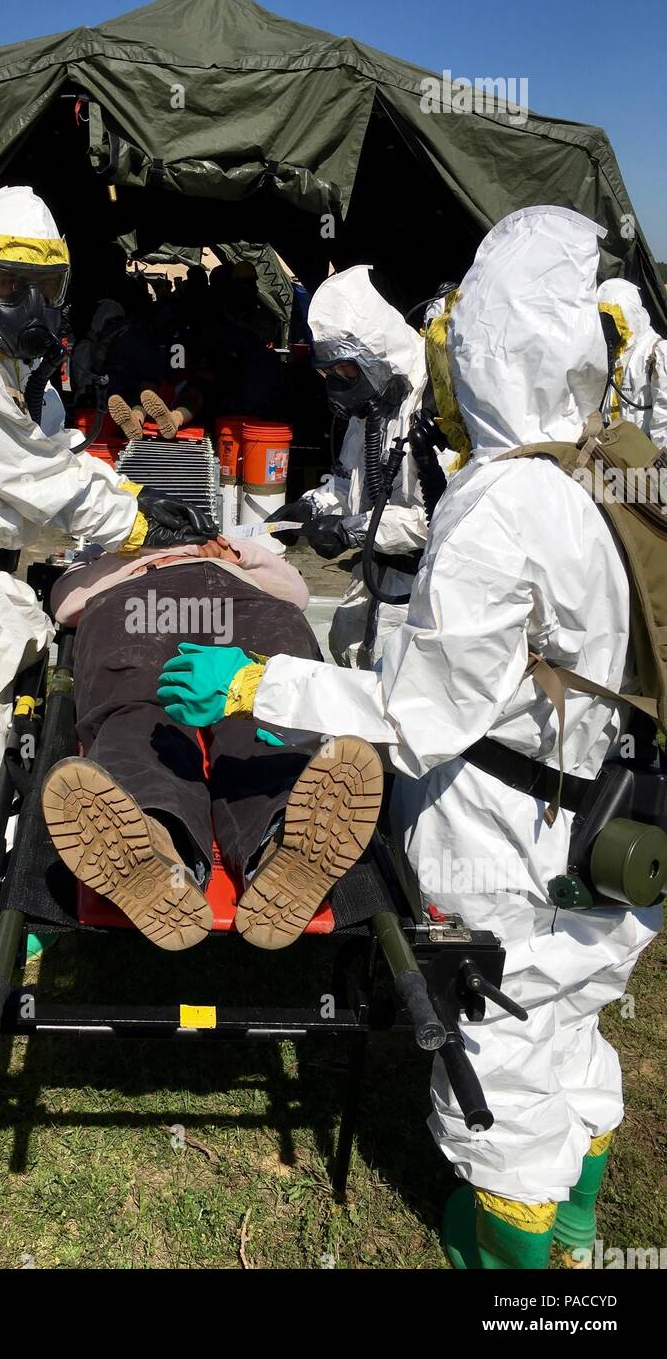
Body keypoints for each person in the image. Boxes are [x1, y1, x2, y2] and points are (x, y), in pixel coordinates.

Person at [157, 207, 663, 1268]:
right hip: (623, 826)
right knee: (573, 1030)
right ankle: (576, 1235)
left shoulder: (506, 503)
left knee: (508, 1058)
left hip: (518, 841)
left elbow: (419, 715)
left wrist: (260, 679)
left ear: (479, 352)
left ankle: (521, 1268)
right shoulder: (621, 468)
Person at [0, 186, 213, 914]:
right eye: (8, 284)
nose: (29, 302)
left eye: (45, 285)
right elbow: (40, 481)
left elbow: (55, 458)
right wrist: (137, 519)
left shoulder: (5, 366)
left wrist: (121, 497)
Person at [41, 534, 382, 951]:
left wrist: (234, 553)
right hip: (142, 603)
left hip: (238, 604)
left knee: (264, 710)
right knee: (148, 713)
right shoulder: (109, 544)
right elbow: (67, 603)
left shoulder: (239, 545)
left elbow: (296, 592)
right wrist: (125, 554)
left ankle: (275, 846)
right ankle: (167, 845)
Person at [279, 267, 431, 666]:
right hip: (372, 573)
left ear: (376, 354)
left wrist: (351, 533)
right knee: (347, 650)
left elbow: (433, 519)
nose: (336, 383)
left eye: (343, 370)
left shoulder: (433, 409)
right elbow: (351, 484)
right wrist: (313, 507)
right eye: (327, 373)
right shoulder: (369, 407)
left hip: (417, 587)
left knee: (398, 679)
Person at [596, 278, 667, 447]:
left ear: (628, 313)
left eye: (609, 318)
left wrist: (660, 468)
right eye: (602, 320)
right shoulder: (608, 355)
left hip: (644, 458)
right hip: (612, 454)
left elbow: (664, 417)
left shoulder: (657, 352)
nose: (606, 327)